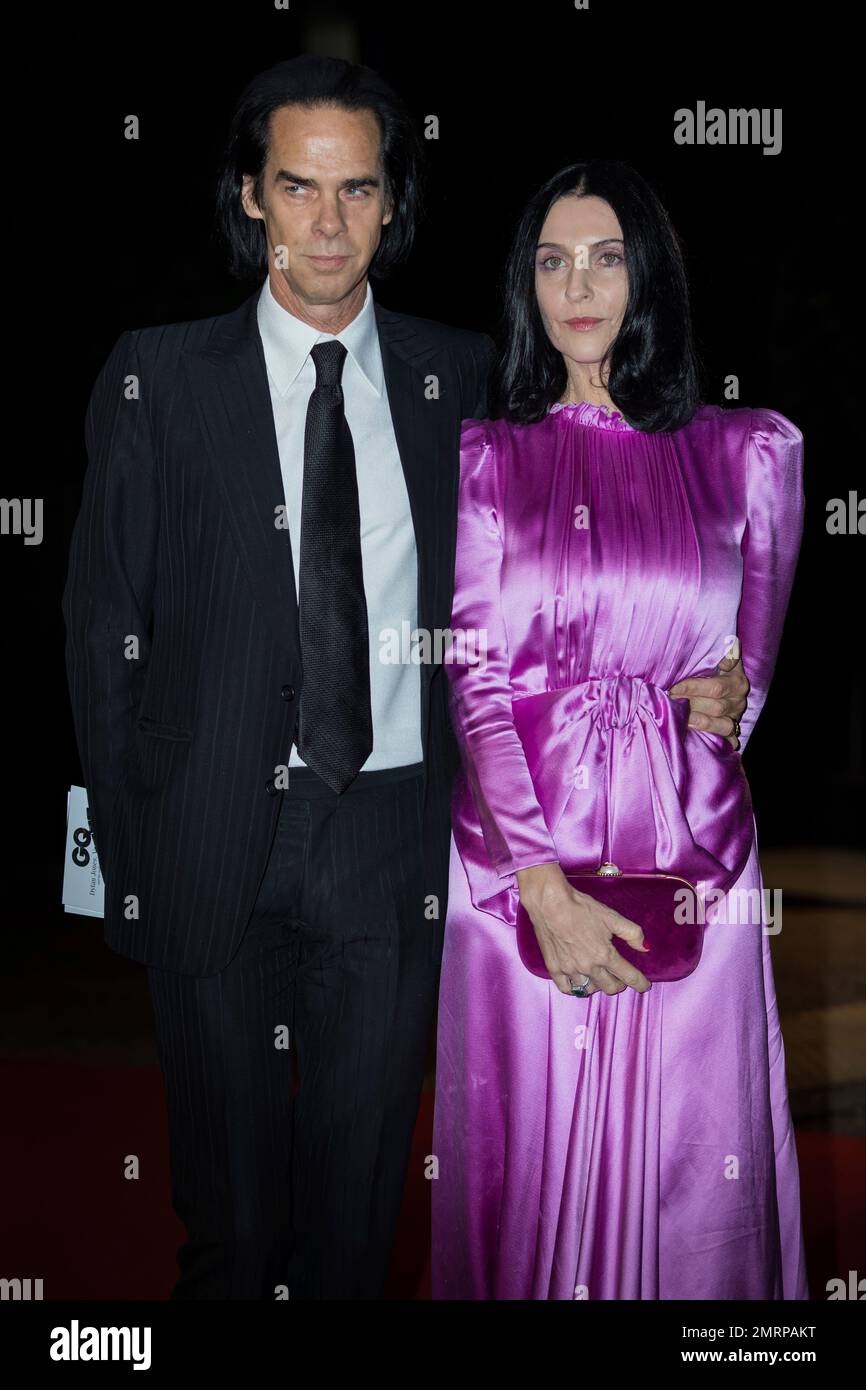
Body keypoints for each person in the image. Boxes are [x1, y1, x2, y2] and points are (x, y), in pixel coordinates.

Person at [62, 55, 747, 1300]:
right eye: (298, 186)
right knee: (227, 1227)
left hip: (389, 847)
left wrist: (717, 658)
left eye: (358, 188)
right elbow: (102, 631)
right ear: (250, 197)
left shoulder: (467, 381)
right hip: (210, 845)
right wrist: (135, 846)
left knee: (354, 1224)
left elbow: (592, 542)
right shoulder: (157, 377)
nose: (328, 221)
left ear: (391, 204)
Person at [431, 160, 809, 1300]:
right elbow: (475, 680)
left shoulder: (747, 454)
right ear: (525, 286)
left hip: (696, 860)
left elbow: (740, 688)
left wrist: (727, 696)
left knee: (691, 1183)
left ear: (649, 273)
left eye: (604, 256)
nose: (577, 285)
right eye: (551, 261)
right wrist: (539, 882)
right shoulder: (487, 460)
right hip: (517, 878)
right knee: (527, 1178)